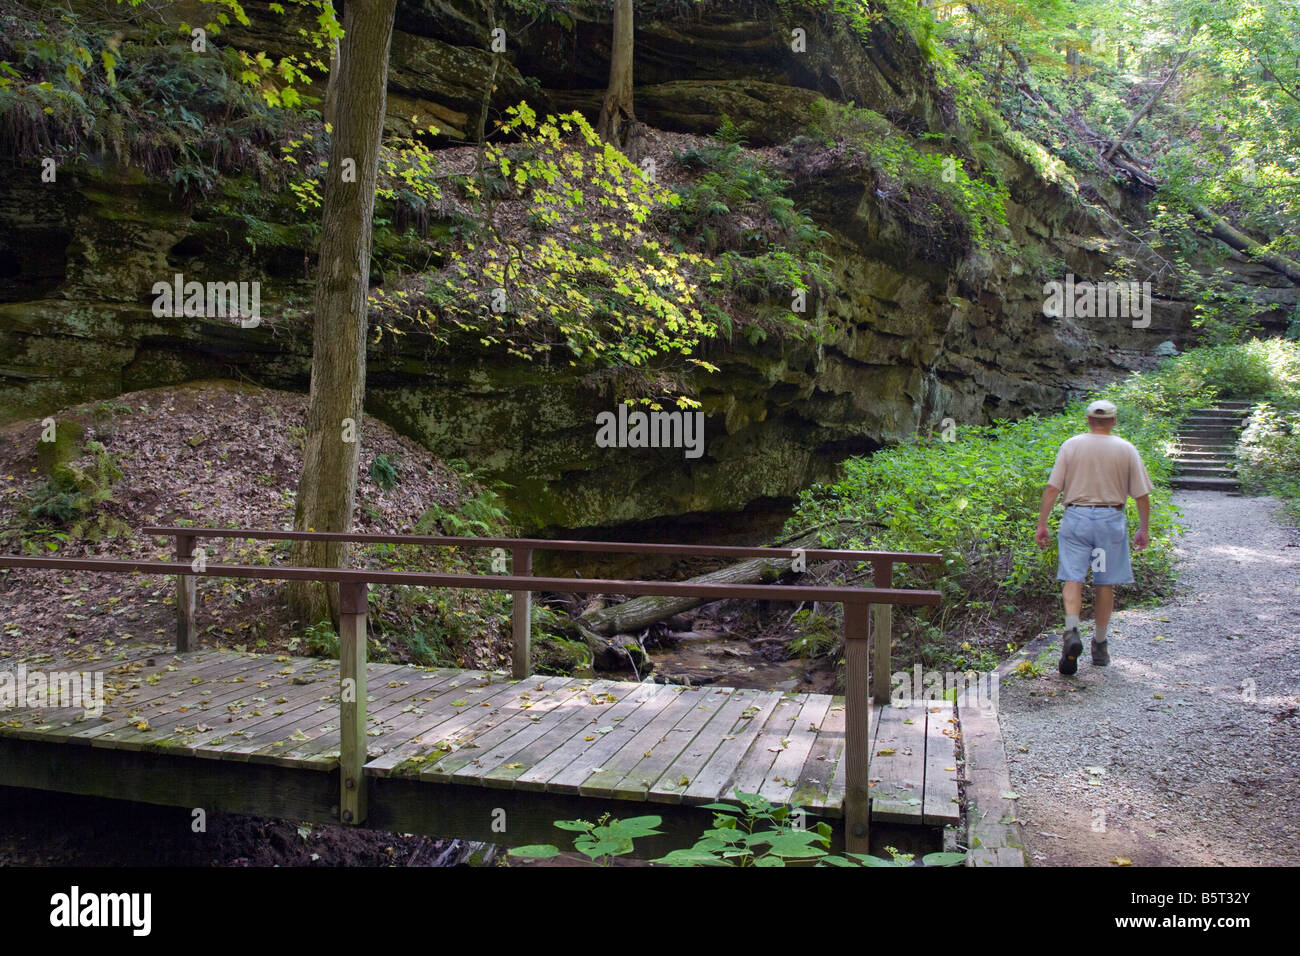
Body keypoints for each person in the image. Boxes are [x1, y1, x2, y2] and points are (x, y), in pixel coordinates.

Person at [1034, 399, 1153, 674]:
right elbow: (1142, 495)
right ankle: (1099, 644)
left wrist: (1042, 523)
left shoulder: (1071, 445)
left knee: (1072, 575)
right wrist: (1143, 529)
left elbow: (1053, 488)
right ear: (1113, 421)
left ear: (1088, 419)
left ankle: (1072, 629)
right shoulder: (1126, 449)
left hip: (1076, 520)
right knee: (1103, 581)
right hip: (1109, 522)